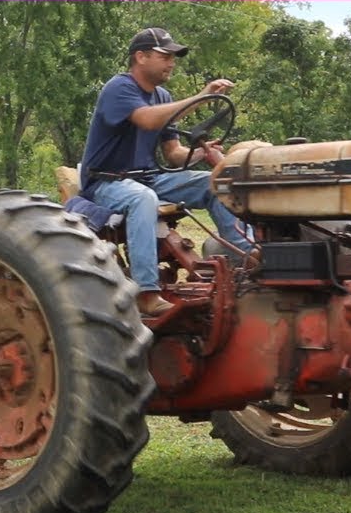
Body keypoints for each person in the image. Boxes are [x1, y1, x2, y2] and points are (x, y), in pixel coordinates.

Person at [79, 27, 254, 317]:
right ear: (141, 57)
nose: (172, 62)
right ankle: (147, 292)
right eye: (165, 56)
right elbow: (147, 121)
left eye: (173, 56)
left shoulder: (162, 95)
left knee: (215, 183)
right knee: (142, 199)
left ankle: (247, 257)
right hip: (107, 181)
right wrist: (200, 97)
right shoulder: (119, 88)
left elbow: (173, 155)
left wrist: (202, 152)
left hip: (149, 177)